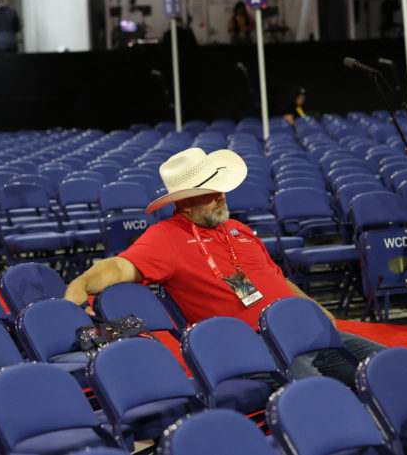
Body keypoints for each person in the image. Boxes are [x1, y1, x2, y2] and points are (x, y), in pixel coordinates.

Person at [64, 147, 384, 385]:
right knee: (319, 394)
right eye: (209, 192)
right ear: (184, 202)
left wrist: (314, 307)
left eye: (219, 187)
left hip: (306, 330)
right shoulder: (166, 237)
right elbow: (119, 267)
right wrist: (79, 286)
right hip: (255, 345)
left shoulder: (238, 229)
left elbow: (277, 278)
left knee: (390, 366)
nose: (221, 196)